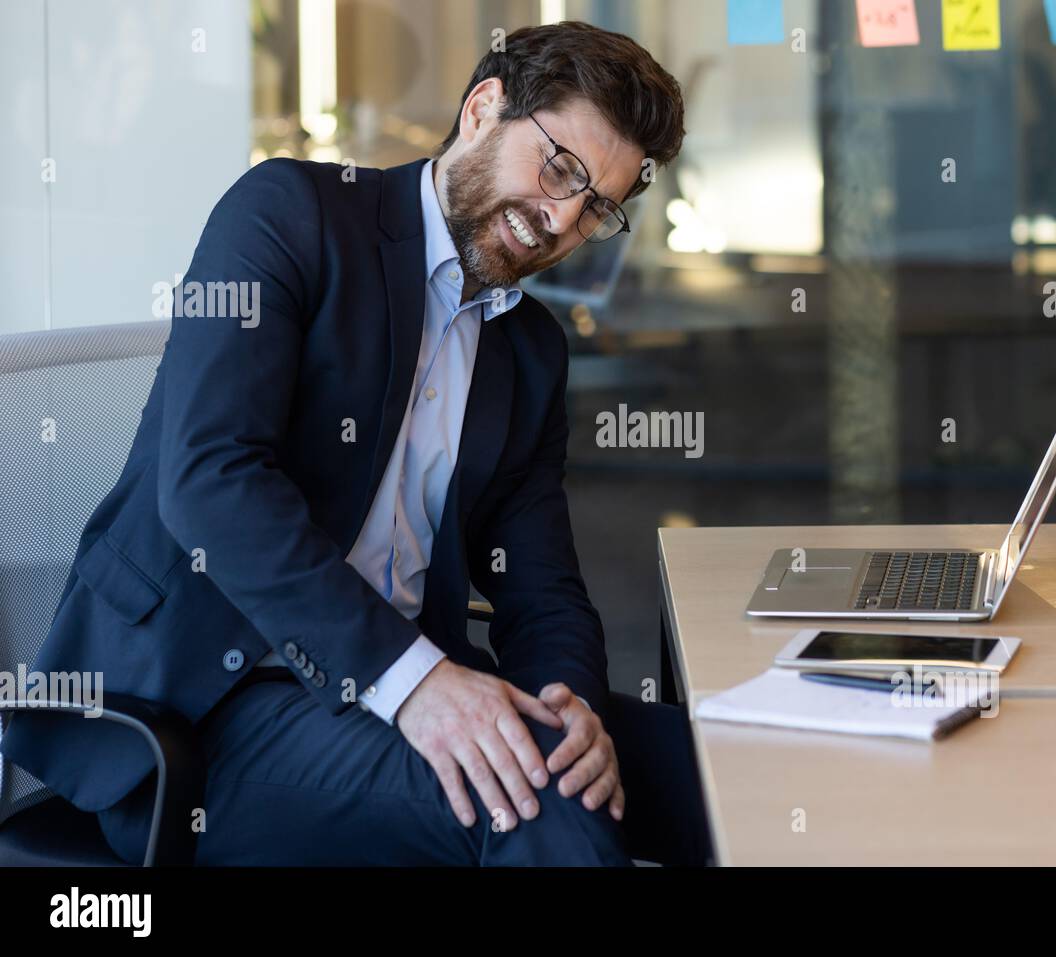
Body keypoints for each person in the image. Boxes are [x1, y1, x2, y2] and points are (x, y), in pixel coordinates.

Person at [2, 20, 708, 866]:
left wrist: (574, 706)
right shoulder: (291, 213)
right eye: (560, 168)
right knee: (543, 805)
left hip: (407, 688)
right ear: (483, 109)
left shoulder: (527, 350)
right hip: (205, 708)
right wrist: (413, 681)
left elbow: (542, 587)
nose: (561, 217)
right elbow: (210, 482)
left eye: (597, 206)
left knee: (737, 778)